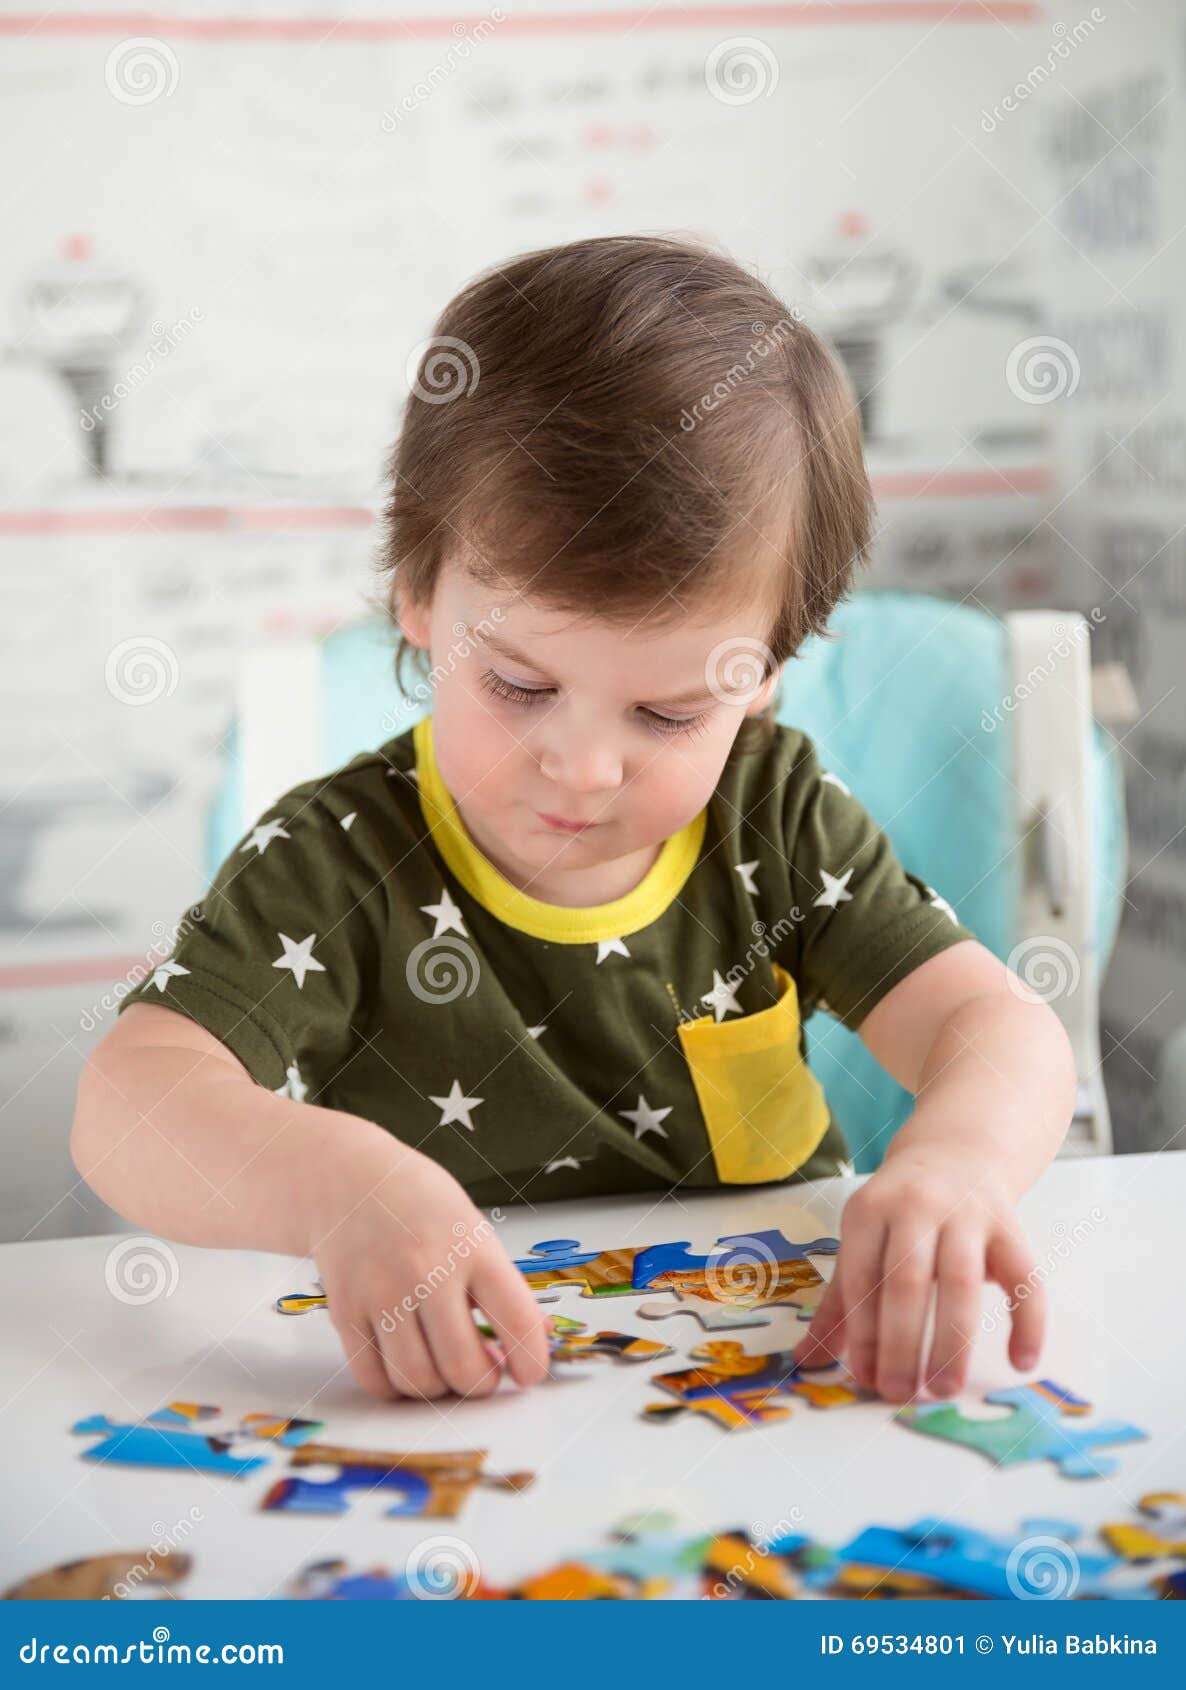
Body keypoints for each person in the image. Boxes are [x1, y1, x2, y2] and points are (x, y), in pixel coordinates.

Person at [71, 234, 1075, 1411]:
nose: (584, 767)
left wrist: (956, 1166)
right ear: (416, 596)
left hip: (769, 1399)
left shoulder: (776, 818)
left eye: (665, 710)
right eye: (518, 686)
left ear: (765, 675)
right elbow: (127, 1100)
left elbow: (994, 1028)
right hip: (446, 1415)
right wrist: (337, 1186)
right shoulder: (336, 858)